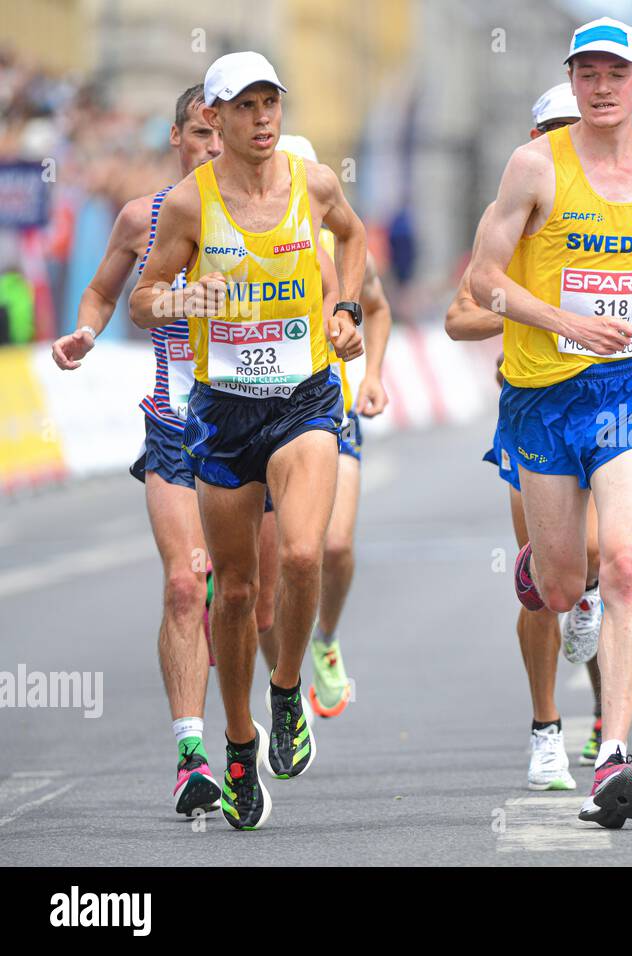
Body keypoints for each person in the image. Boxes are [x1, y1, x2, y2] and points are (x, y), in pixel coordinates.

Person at [468, 17, 632, 829]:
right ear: (573, 82)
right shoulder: (535, 164)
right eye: (587, 73)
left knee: (624, 563)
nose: (602, 87)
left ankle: (612, 752)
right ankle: (551, 583)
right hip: (543, 393)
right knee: (563, 583)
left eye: (616, 73)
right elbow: (482, 282)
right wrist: (562, 319)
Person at [130, 51, 367, 831]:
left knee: (301, 556)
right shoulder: (193, 205)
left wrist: (349, 315)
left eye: (272, 103)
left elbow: (353, 241)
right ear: (217, 120)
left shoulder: (314, 181)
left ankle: (288, 689)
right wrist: (185, 296)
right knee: (230, 591)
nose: (264, 118)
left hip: (304, 399)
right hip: (223, 412)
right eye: (246, 107)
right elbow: (143, 299)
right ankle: (237, 745)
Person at [50, 84, 229, 817]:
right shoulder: (144, 217)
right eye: (199, 133)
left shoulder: (279, 214)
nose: (214, 146)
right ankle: (191, 754)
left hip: (262, 422)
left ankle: (272, 706)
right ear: (178, 140)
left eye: (226, 131)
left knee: (259, 595)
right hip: (176, 420)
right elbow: (100, 292)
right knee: (188, 584)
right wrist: (87, 331)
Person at [446, 84, 592, 790]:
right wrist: (537, 315)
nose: (564, 140)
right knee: (537, 578)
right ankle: (546, 730)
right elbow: (458, 316)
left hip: (614, 402)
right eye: (552, 129)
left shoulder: (624, 202)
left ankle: (594, 595)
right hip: (532, 404)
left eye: (576, 126)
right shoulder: (507, 207)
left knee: (610, 557)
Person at [254, 133, 394, 722]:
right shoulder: (239, 242)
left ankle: (326, 638)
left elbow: (379, 307)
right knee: (267, 588)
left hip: (324, 410)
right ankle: (283, 688)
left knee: (331, 544)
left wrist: (373, 376)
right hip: (253, 420)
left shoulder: (334, 244)